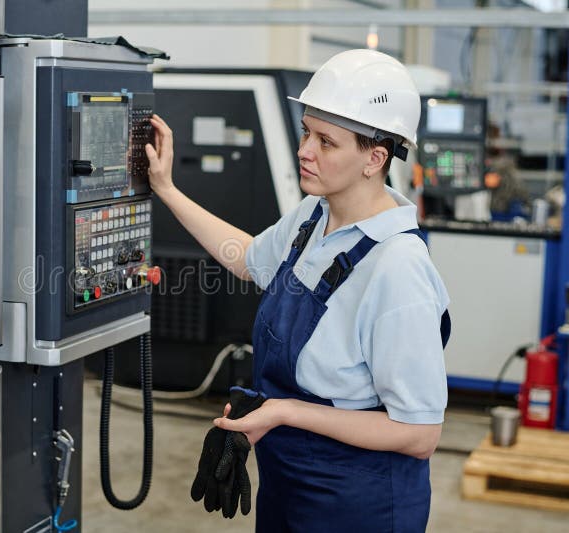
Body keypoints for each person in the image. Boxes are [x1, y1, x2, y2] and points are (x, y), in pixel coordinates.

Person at [145, 49, 450, 532]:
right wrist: (165, 188)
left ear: (375, 158)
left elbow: (418, 433)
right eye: (306, 131)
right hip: (289, 485)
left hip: (359, 504)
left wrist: (284, 411)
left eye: (326, 141)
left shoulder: (398, 268)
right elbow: (247, 259)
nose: (305, 149)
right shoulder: (314, 217)